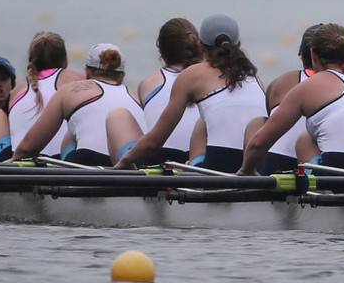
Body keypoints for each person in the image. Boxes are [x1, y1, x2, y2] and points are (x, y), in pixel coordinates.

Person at [238, 24, 344, 179]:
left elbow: (259, 142)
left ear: (313, 55)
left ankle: (316, 188)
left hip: (338, 174)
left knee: (305, 139)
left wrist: (247, 170)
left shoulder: (307, 87)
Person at [116, 13, 264, 172]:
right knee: (203, 123)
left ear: (201, 45)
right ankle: (192, 166)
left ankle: (191, 167)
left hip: (217, 171)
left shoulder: (192, 75)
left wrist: (125, 161)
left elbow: (154, 142)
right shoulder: (255, 78)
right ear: (239, 44)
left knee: (201, 123)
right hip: (258, 169)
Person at [13, 42, 144, 166]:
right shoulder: (136, 97)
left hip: (88, 161)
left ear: (87, 73)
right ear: (122, 76)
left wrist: (12, 161)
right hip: (133, 163)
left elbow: (28, 147)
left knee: (70, 134)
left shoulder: (69, 90)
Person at [0, 32, 82, 162]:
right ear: (66, 61)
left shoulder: (18, 89)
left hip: (17, 163)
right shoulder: (77, 79)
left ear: (31, 61)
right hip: (64, 161)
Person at [132, 17, 207, 164]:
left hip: (159, 157)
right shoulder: (214, 80)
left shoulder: (148, 83)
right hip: (202, 159)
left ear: (161, 50)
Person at [252, 27, 321, 175]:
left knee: (259, 122)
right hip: (315, 166)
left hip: (273, 162)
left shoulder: (281, 82)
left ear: (302, 55)